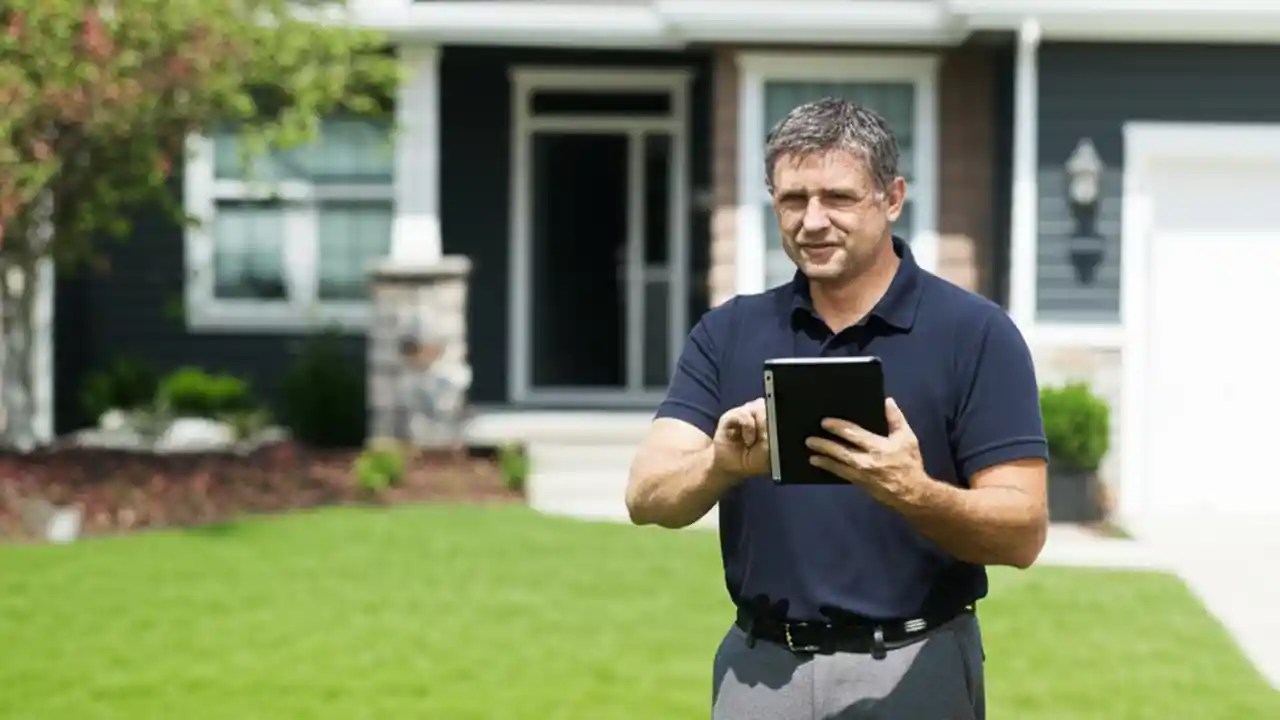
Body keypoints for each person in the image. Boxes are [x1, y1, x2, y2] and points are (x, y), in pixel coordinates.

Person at [625, 97, 1049, 719]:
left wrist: (911, 490)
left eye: (838, 198)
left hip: (916, 667)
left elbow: (1023, 531)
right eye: (792, 199)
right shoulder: (728, 333)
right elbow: (645, 497)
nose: (812, 221)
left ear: (892, 198)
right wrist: (719, 466)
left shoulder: (975, 334)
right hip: (760, 672)